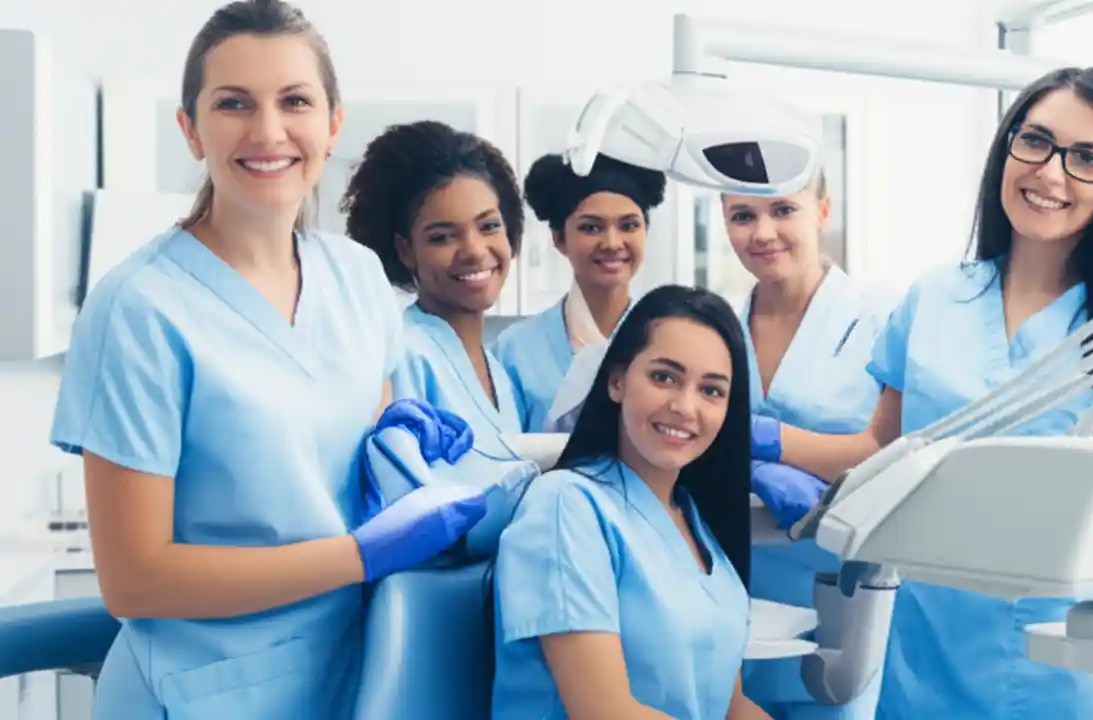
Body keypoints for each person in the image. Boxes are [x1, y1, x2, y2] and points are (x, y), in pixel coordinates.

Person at [49, 2, 474, 716]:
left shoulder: (357, 277)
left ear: (334, 123)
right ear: (190, 130)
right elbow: (135, 579)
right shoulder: (141, 309)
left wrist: (398, 438)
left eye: (295, 101)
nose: (269, 131)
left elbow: (351, 451)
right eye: (234, 104)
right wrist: (361, 556)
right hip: (202, 692)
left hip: (354, 673)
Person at [750, 67, 1093, 719]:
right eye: (1035, 141)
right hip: (927, 644)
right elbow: (880, 446)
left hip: (1068, 660)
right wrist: (762, 443)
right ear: (1007, 149)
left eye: (1087, 158)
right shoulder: (936, 296)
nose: (1050, 174)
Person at [492, 285, 769, 719]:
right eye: (664, 377)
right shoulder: (566, 506)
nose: (685, 406)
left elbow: (731, 707)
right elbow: (605, 711)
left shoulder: (695, 522)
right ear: (617, 381)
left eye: (711, 391)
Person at [723, 169, 890, 719]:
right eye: (742, 216)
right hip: (727, 605)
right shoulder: (715, 323)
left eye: (783, 211)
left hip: (839, 604)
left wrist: (766, 442)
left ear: (822, 208)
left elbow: (890, 451)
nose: (763, 233)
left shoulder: (880, 319)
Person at [343, 120, 526, 440]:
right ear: (405, 250)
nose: (474, 251)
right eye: (442, 237)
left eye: (489, 227)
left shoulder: (498, 372)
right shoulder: (406, 357)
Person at [491, 152, 666, 432]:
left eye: (629, 225)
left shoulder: (669, 339)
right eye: (591, 227)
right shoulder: (513, 350)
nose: (612, 242)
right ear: (559, 239)